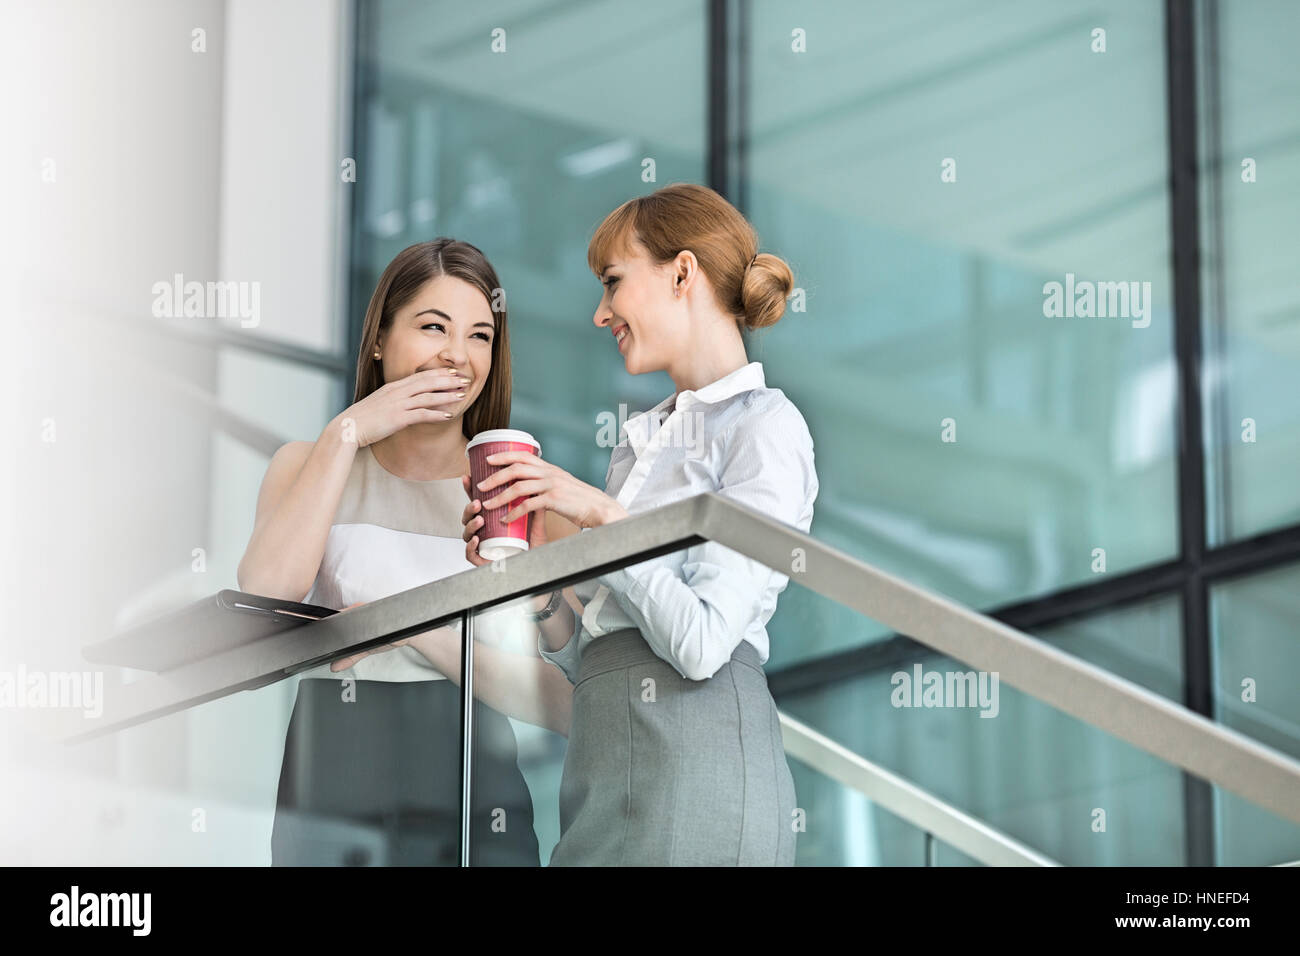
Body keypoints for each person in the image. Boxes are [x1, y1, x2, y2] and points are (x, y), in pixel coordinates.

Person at [460, 183, 819, 865]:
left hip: (694, 749)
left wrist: (599, 516)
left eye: (613, 283)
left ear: (682, 273)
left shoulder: (764, 426)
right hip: (605, 747)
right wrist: (542, 591)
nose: (601, 314)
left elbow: (703, 642)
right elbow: (591, 650)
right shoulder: (642, 440)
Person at [238, 238, 570, 866]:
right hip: (335, 758)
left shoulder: (517, 488)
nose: (457, 355)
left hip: (475, 770)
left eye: (480, 336)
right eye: (432, 327)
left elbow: (567, 702)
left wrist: (413, 632)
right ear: (380, 340)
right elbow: (265, 594)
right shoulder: (306, 466)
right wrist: (348, 432)